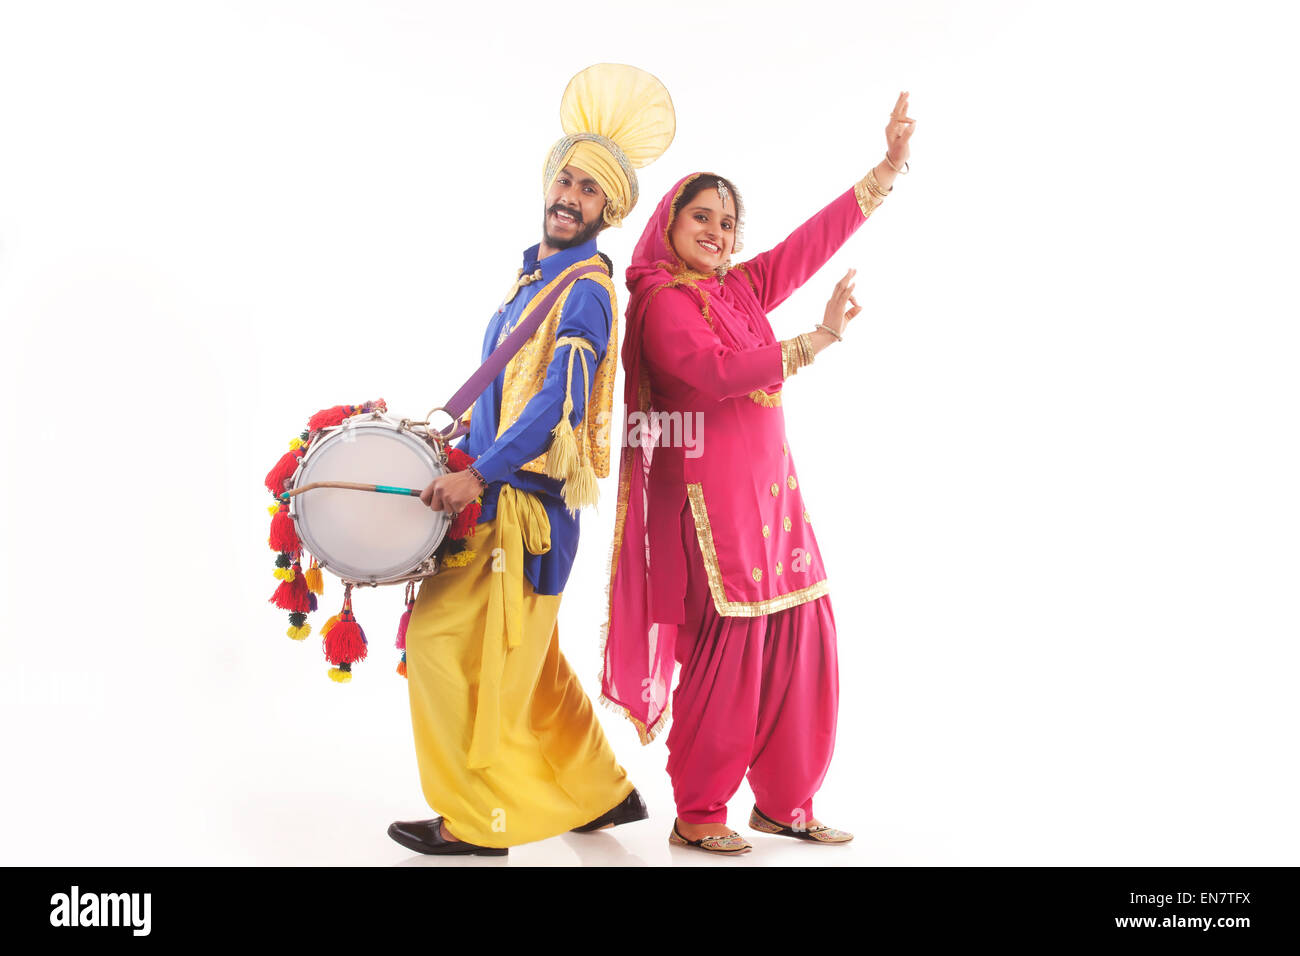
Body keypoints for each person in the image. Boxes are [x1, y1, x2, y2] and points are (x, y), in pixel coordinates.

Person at [600, 93, 916, 854]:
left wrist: (886, 170)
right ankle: (700, 812)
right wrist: (816, 341)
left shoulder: (735, 289)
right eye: (701, 217)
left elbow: (806, 247)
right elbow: (711, 375)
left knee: (804, 640)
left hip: (775, 507)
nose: (716, 232)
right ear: (670, 226)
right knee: (730, 661)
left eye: (727, 222)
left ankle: (784, 803)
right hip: (711, 516)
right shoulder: (661, 302)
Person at [388, 64, 675, 856]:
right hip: (496, 493)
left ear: (607, 211)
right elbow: (504, 399)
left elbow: (560, 408)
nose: (570, 196)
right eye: (566, 179)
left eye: (589, 191)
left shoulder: (584, 290)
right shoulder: (529, 282)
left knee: (452, 653)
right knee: (533, 664)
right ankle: (600, 793)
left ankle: (480, 824)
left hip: (524, 511)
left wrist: (478, 474)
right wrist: (454, 448)